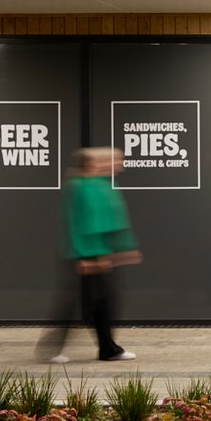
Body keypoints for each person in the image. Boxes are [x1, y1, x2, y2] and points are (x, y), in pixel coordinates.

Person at [39, 147, 141, 363]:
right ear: (96, 163)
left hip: (100, 255)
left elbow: (113, 219)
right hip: (83, 256)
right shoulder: (78, 186)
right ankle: (52, 349)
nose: (119, 164)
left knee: (100, 303)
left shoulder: (102, 185)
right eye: (114, 160)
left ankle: (108, 348)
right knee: (77, 304)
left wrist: (123, 249)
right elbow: (78, 223)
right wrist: (88, 255)